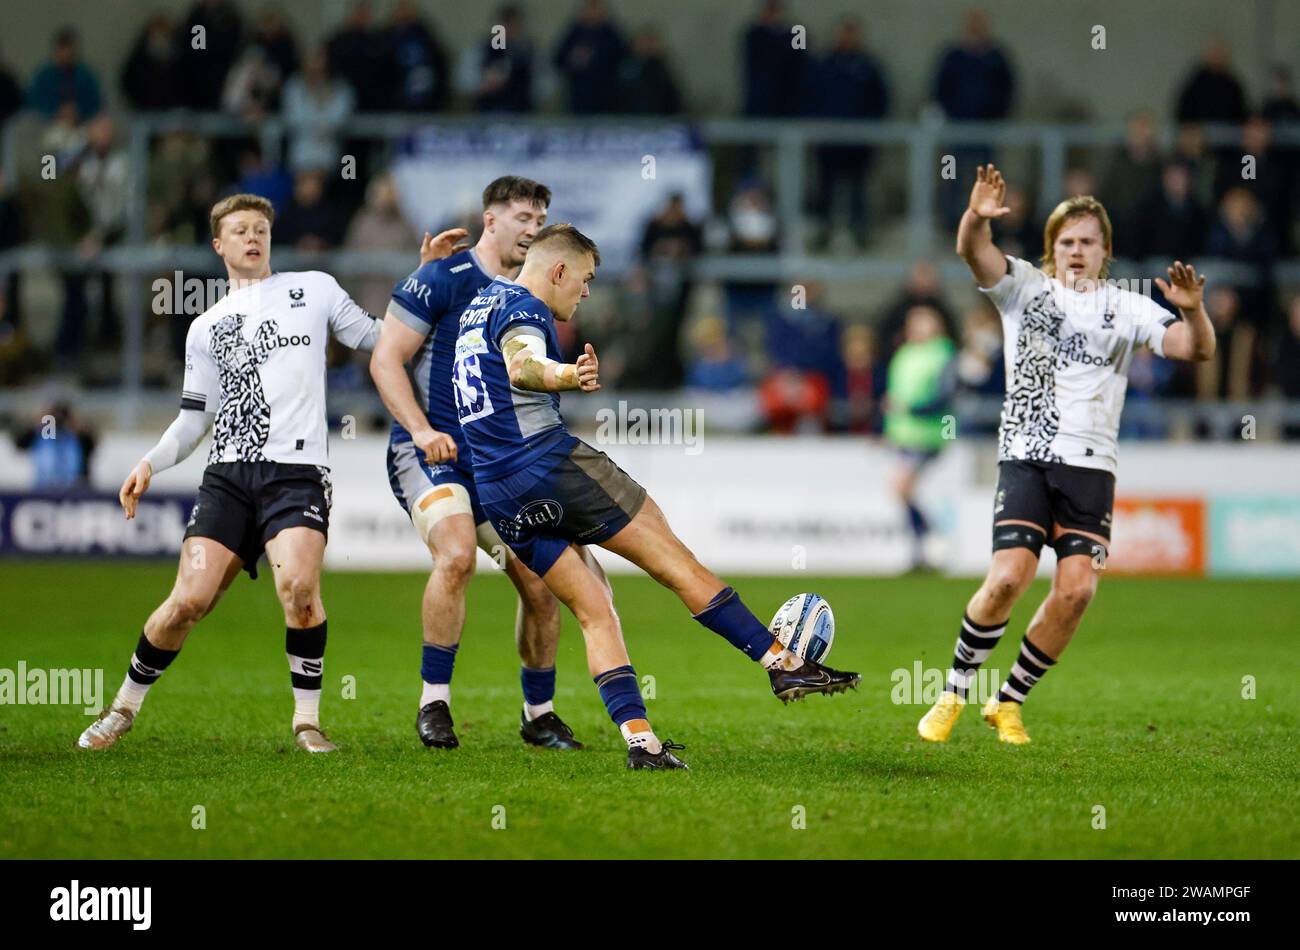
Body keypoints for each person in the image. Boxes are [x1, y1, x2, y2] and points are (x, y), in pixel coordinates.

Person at [452, 223, 861, 770]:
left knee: (595, 609)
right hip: (548, 464)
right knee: (672, 559)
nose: (587, 291)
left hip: (498, 490)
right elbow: (522, 364)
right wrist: (567, 374)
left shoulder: (479, 306)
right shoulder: (525, 307)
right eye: (586, 278)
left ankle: (641, 745)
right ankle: (781, 661)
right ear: (559, 271)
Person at [77, 193, 457, 755]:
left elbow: (384, 341)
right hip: (227, 477)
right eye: (239, 230)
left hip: (297, 474)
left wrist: (422, 282)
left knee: (299, 590)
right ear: (218, 245)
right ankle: (122, 710)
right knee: (188, 601)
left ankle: (307, 722)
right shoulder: (206, 327)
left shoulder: (314, 289)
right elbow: (192, 420)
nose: (252, 237)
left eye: (260, 228)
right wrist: (149, 462)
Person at [917, 165, 1215, 745]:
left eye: (1088, 242)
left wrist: (1194, 310)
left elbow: (1195, 349)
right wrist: (976, 216)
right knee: (1007, 578)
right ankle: (953, 692)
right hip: (1027, 454)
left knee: (1077, 590)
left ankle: (1007, 703)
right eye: (1067, 242)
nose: (1077, 251)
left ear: (1105, 250)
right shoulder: (1024, 288)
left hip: (1092, 467)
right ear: (1052, 249)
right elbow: (972, 251)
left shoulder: (1127, 307)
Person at [370, 177, 587, 752]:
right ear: (490, 220)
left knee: (543, 586)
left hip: (498, 465)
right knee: (459, 553)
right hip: (430, 456)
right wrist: (421, 429)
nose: (533, 228)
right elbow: (386, 359)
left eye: (541, 219)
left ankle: (538, 715)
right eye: (522, 216)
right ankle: (434, 705)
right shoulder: (442, 276)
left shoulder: (531, 296)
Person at [883, 306, 956, 572]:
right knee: (903, 491)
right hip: (902, 435)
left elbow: (945, 396)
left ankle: (932, 535)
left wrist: (911, 409)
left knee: (903, 487)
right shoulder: (904, 353)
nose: (917, 327)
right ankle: (921, 550)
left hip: (929, 434)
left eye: (924, 321)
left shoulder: (943, 353)